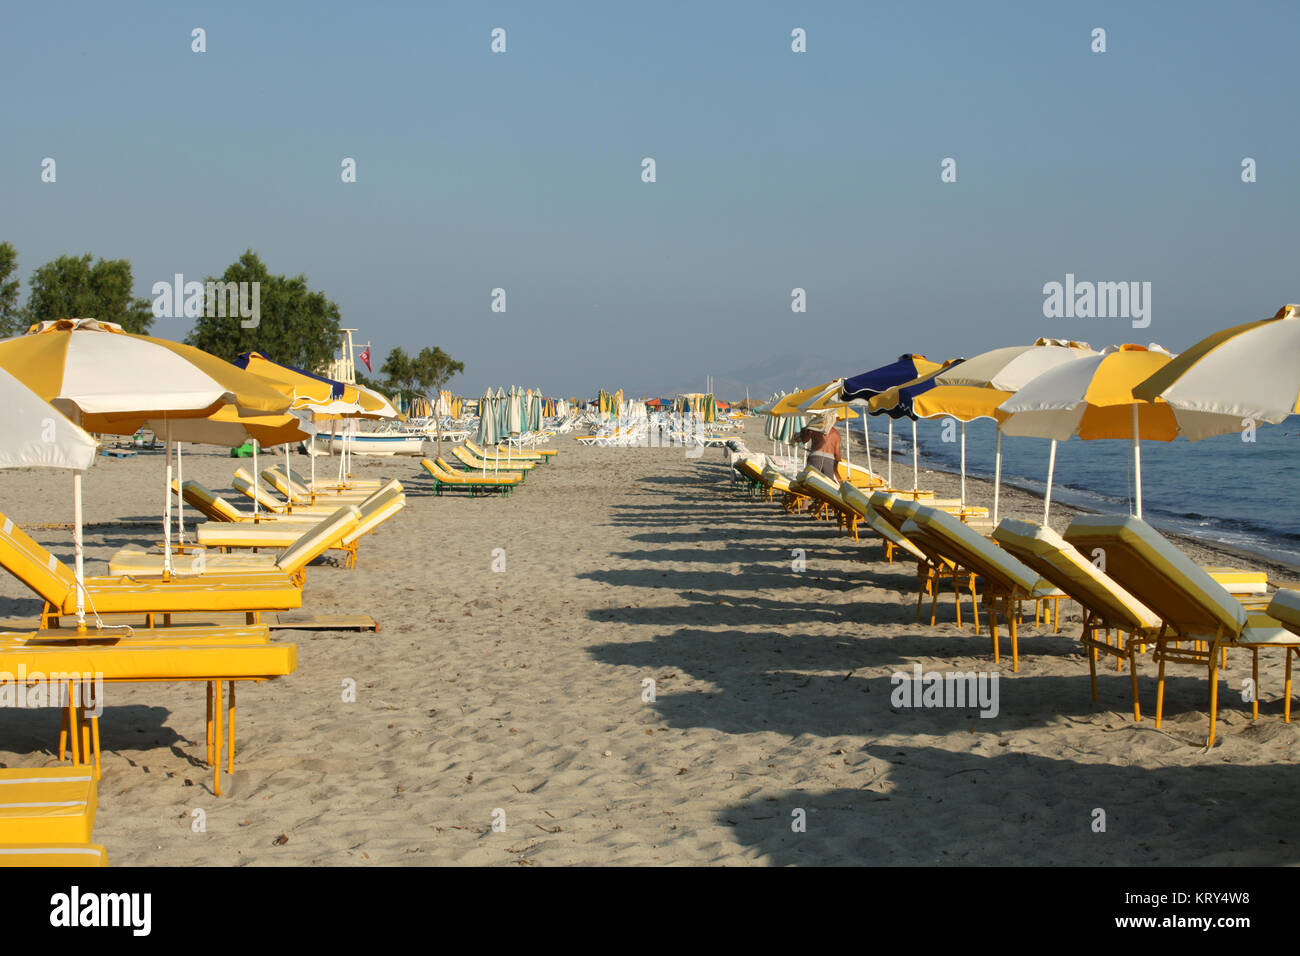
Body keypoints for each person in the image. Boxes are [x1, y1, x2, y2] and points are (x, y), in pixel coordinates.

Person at [794, 412, 841, 479]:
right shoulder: (836, 434)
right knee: (828, 484)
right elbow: (837, 454)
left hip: (815, 456)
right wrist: (835, 467)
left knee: (810, 480)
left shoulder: (815, 429)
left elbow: (804, 440)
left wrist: (807, 431)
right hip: (829, 460)